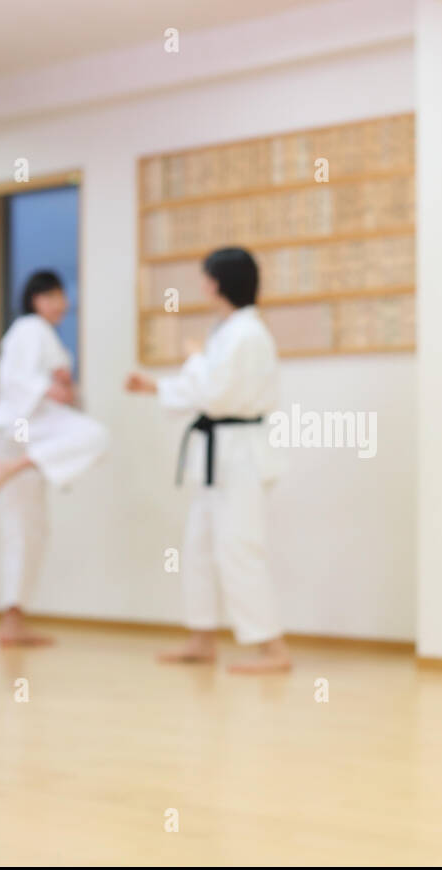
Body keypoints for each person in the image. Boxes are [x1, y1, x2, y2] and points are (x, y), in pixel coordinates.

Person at [125, 247, 289, 673]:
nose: (202, 286)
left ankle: (273, 648)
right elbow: (207, 390)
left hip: (241, 457)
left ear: (218, 283)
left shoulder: (246, 334)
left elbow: (216, 395)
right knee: (199, 546)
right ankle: (201, 637)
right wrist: (157, 387)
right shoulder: (229, 330)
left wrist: (194, 358)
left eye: (205, 278)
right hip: (219, 457)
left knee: (239, 548)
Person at [0, 270, 107, 645]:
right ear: (35, 300)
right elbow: (13, 380)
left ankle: (13, 620)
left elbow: (65, 398)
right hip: (21, 428)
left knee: (31, 528)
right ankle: (13, 465)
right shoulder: (29, 328)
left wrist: (65, 386)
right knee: (23, 527)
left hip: (36, 435)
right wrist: (52, 387)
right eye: (51, 296)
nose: (60, 303)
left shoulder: (50, 339)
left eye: (62, 296)